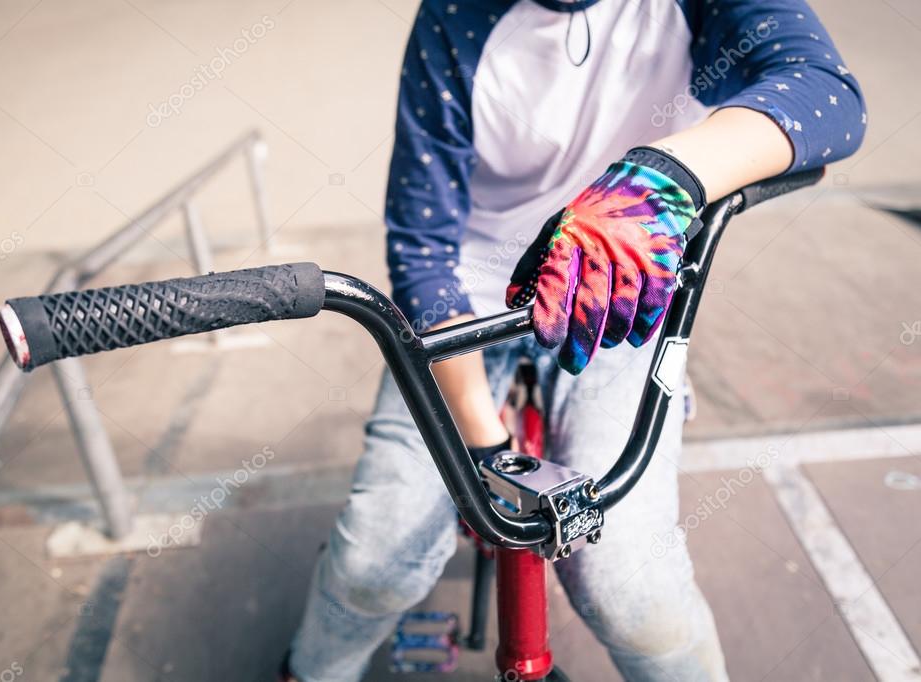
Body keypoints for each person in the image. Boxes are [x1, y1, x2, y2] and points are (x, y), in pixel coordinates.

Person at [282, 1, 865, 680]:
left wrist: (661, 176)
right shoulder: (451, 15)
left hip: (616, 301)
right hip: (465, 302)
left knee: (631, 592)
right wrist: (484, 444)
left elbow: (824, 92)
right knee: (373, 566)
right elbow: (420, 244)